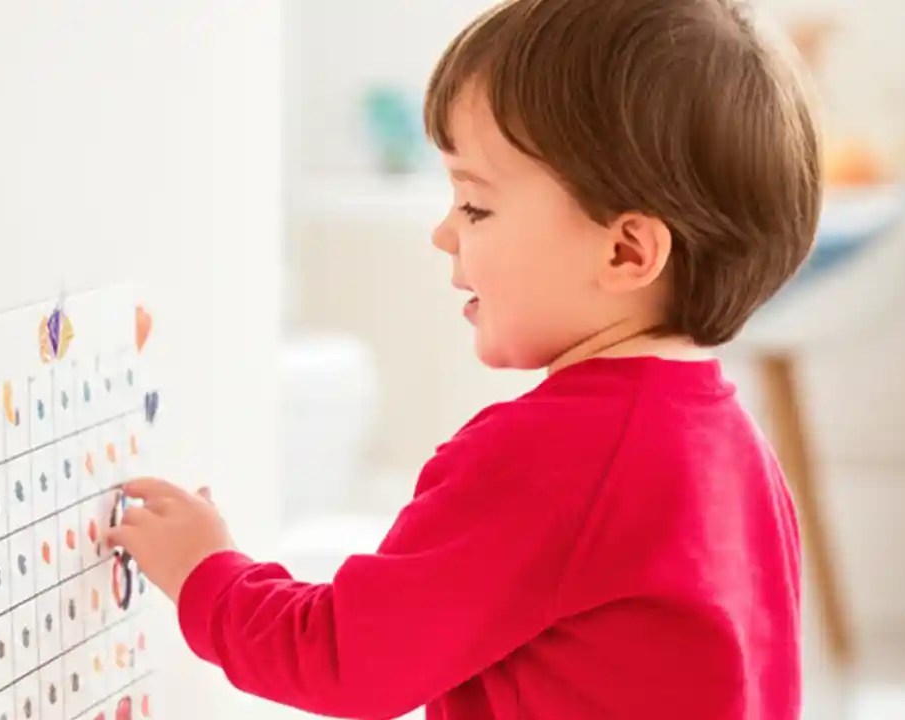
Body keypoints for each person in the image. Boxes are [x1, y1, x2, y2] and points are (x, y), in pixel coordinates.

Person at [106, 1, 821, 717]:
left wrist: (205, 572)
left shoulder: (551, 455)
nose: (444, 233)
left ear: (625, 251)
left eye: (475, 206)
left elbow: (342, 658)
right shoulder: (739, 454)